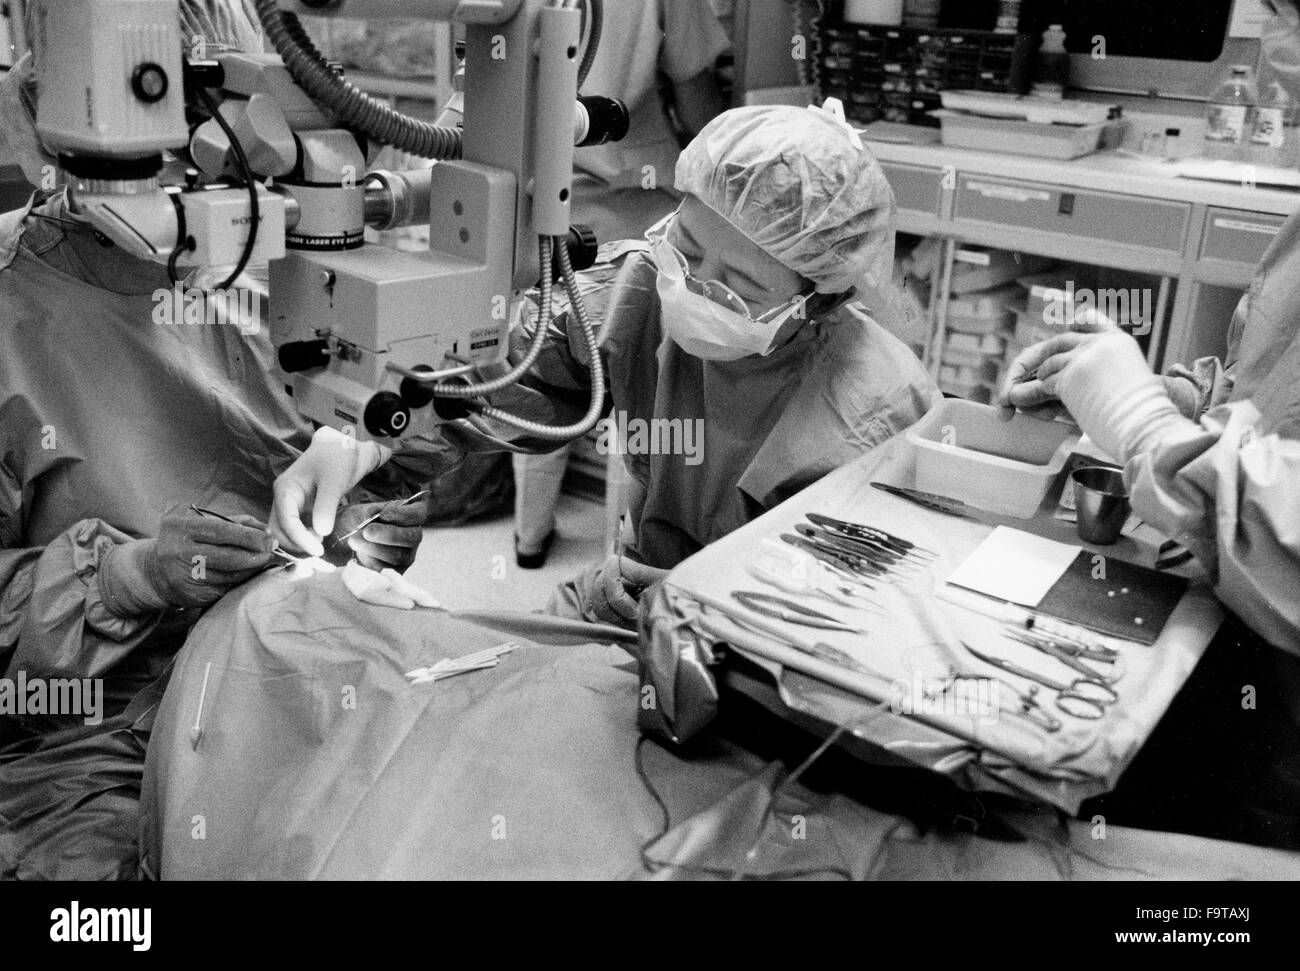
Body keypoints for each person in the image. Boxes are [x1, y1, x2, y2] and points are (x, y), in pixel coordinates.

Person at [0, 0, 428, 878]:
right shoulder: (14, 311)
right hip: (88, 726)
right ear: (45, 107)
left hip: (294, 658)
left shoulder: (280, 252)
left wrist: (366, 479)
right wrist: (130, 574)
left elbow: (419, 420)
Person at [275, 103, 941, 629]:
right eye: (687, 243)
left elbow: (865, 619)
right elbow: (500, 384)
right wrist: (363, 444)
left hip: (757, 656)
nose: (692, 284)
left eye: (739, 284)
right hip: (624, 597)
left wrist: (706, 608)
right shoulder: (640, 289)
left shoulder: (876, 408)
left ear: (817, 298)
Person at [996, 0, 1300, 849]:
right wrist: (1155, 399)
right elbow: (1273, 386)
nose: (1275, 42)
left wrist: (1139, 422)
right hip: (1227, 648)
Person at [512, 0, 730, 569]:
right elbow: (696, 92)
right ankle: (627, 554)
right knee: (643, 388)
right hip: (636, 200)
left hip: (544, 205)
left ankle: (529, 537)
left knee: (546, 362)